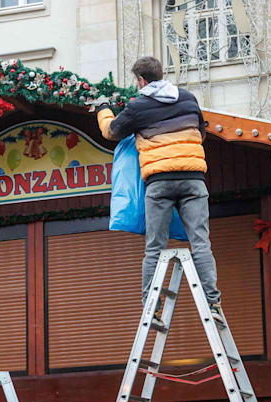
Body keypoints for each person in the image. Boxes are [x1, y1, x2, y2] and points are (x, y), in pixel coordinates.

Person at [95, 56, 222, 323]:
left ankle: (151, 308)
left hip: (160, 182)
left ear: (141, 80)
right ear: (161, 74)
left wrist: (103, 108)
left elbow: (111, 131)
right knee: (200, 243)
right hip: (193, 179)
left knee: (155, 247)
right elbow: (201, 134)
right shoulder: (187, 98)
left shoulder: (138, 106)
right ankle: (213, 304)